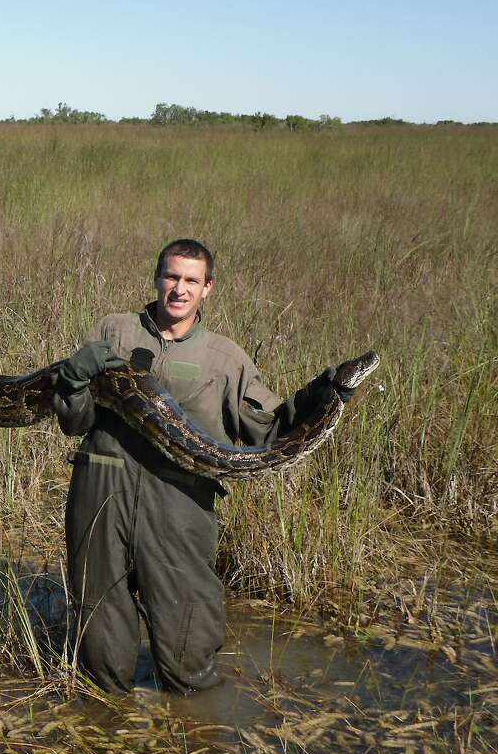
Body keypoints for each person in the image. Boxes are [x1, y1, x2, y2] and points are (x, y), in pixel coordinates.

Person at [53, 239, 351, 693]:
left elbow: (269, 434)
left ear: (208, 288)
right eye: (172, 277)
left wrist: (320, 398)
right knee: (99, 634)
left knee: (186, 643)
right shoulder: (113, 332)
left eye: (192, 280)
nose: (179, 289)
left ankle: (192, 730)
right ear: (157, 278)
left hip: (179, 503)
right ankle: (106, 729)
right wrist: (72, 382)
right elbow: (75, 421)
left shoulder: (224, 358)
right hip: (101, 489)